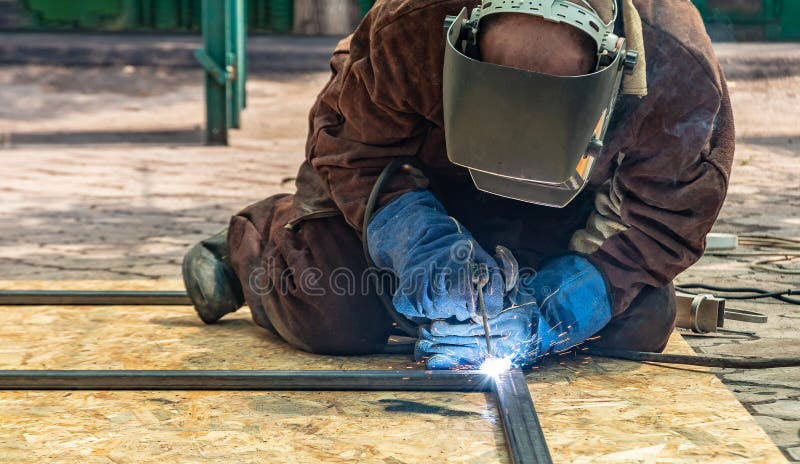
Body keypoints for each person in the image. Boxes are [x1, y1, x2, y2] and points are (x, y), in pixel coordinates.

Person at [182, 0, 734, 370]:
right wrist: (418, 241)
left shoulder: (676, 71)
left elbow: (662, 219)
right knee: (333, 310)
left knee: (638, 326)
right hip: (423, 182)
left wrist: (551, 311)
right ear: (464, 43)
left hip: (569, 211)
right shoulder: (412, 24)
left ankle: (486, 308)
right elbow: (352, 148)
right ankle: (259, 240)